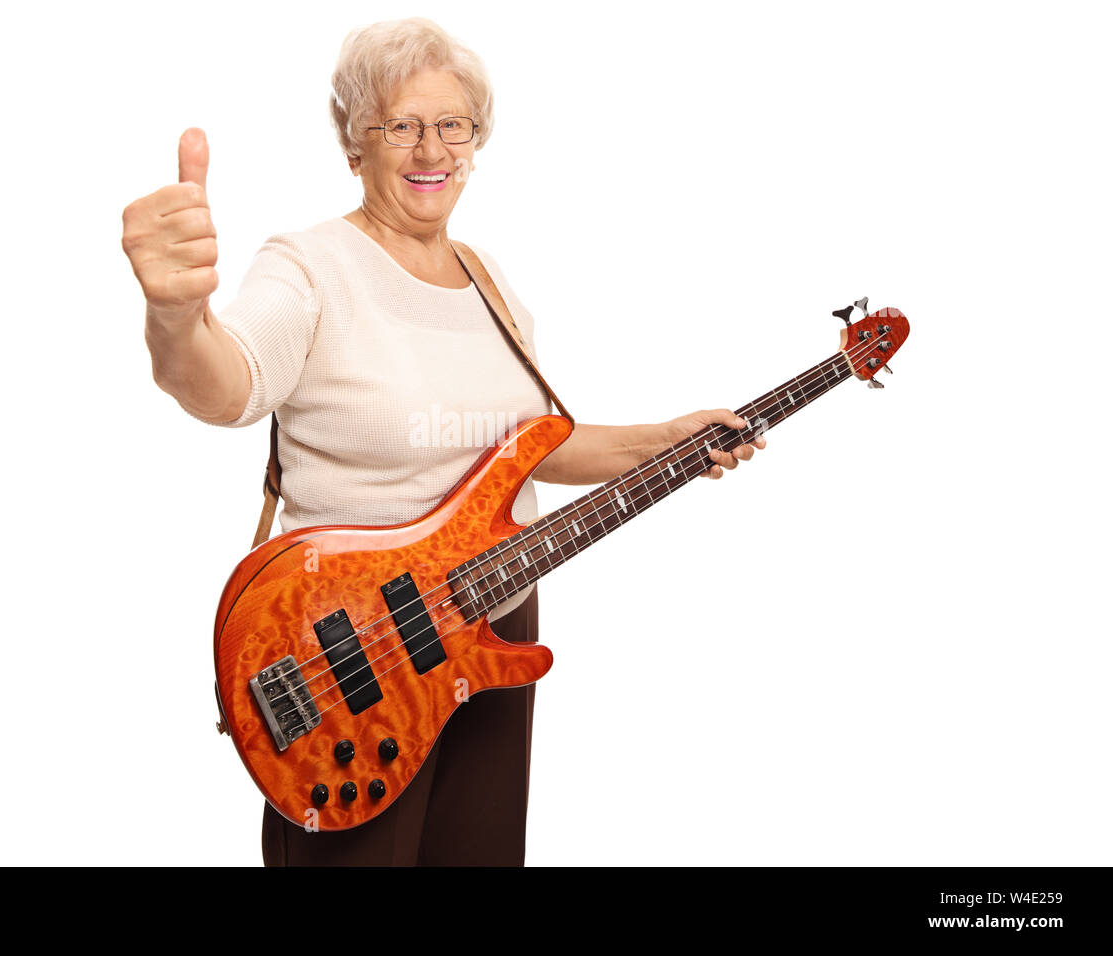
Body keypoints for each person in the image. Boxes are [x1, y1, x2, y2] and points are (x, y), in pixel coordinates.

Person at [120, 17, 765, 866]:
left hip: (492, 628)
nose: (432, 148)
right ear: (356, 145)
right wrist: (175, 317)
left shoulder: (489, 282)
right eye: (401, 125)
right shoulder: (310, 265)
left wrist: (666, 439)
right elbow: (225, 382)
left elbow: (524, 449)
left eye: (452, 124)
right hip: (352, 659)